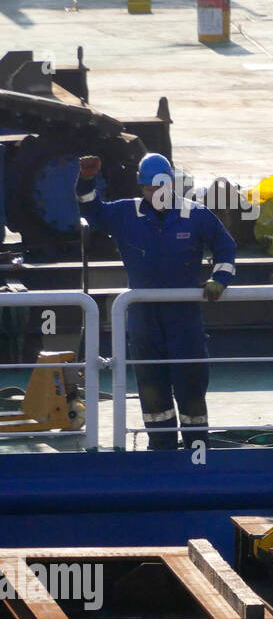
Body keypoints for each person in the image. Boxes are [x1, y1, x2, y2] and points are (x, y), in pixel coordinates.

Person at [77, 153, 236, 451]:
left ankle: (196, 447)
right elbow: (90, 208)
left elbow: (226, 248)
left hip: (184, 318)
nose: (156, 192)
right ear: (141, 187)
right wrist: (86, 178)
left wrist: (219, 279)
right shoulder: (126, 215)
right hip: (143, 320)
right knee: (151, 389)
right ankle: (161, 447)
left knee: (191, 387)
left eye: (160, 186)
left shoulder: (196, 215)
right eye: (150, 187)